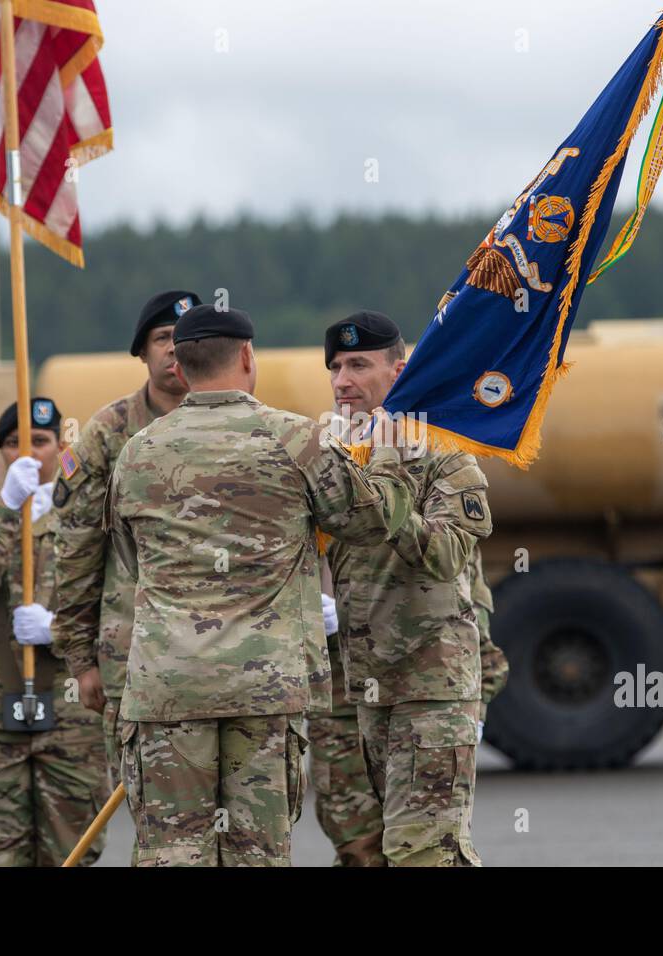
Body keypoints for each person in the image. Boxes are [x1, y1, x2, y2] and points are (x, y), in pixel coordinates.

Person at [110, 302, 419, 866]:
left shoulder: (136, 452)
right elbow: (374, 522)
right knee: (257, 851)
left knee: (173, 851)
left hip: (167, 686)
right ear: (248, 356)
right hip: (265, 686)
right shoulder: (297, 440)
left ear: (177, 363)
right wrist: (388, 452)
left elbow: (129, 557)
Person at [322, 310, 494, 866]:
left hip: (432, 685)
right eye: (335, 367)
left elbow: (445, 557)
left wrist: (388, 463)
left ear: (398, 373)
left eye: (358, 365)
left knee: (425, 851)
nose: (342, 380)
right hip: (367, 687)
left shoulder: (443, 452)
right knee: (380, 850)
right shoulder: (333, 459)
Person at [0, 398, 110, 866]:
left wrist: (57, 630)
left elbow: (117, 614)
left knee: (73, 851)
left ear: (60, 447)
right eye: (13, 443)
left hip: (72, 715)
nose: (27, 454)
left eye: (39, 442)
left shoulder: (88, 526)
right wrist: (6, 509)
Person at [52, 290, 200, 793]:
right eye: (163, 338)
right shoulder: (109, 433)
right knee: (155, 810)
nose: (175, 349)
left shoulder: (232, 423)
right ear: (142, 351)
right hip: (133, 659)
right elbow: (75, 550)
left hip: (222, 658)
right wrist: (80, 658)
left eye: (185, 338)